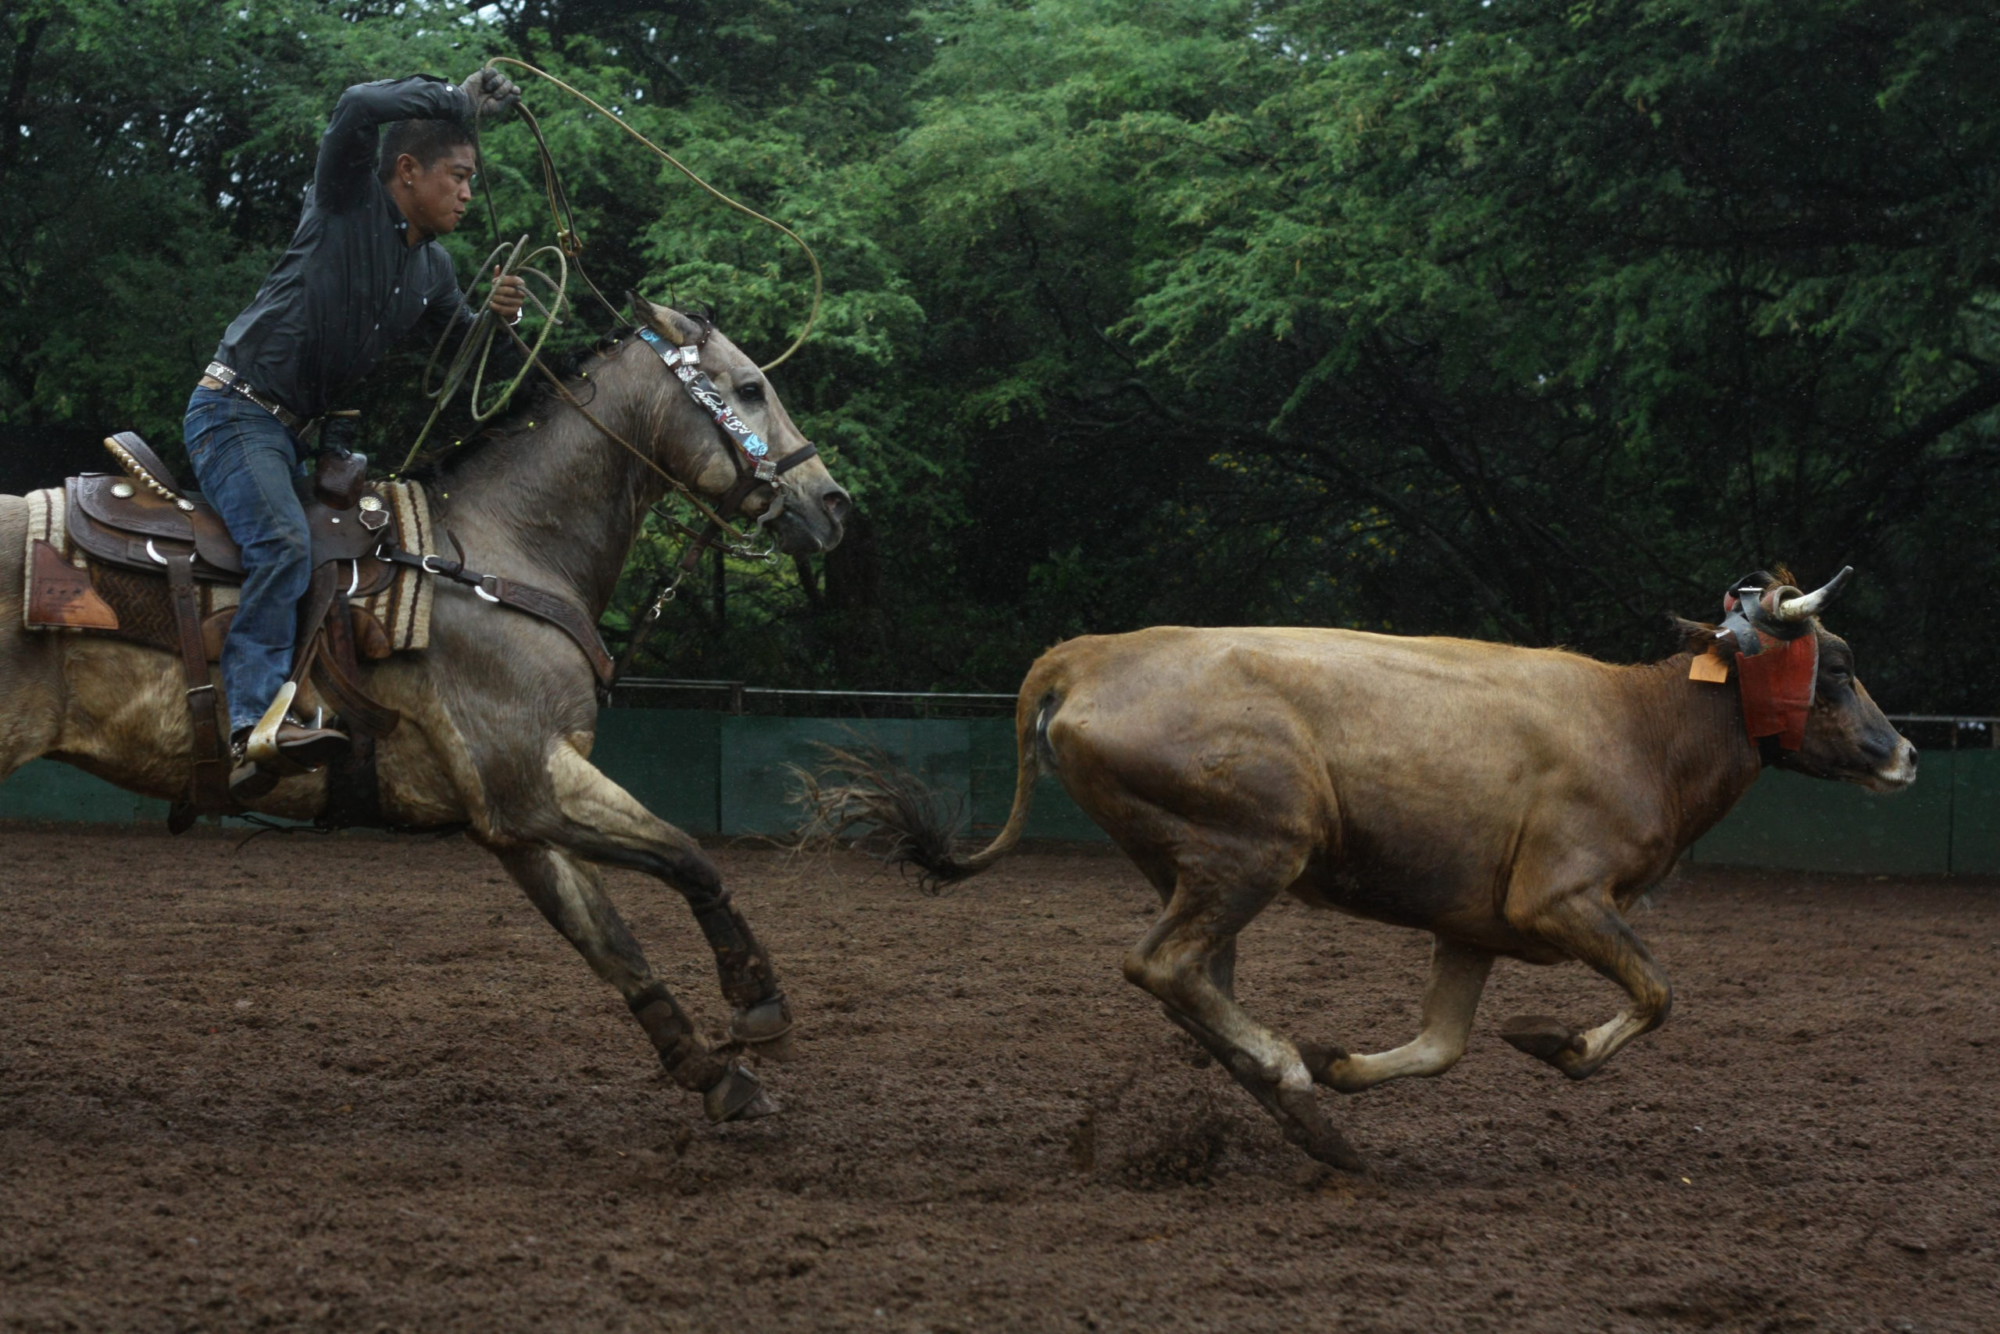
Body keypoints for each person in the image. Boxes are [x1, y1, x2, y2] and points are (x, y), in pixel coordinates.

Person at [184, 69, 529, 799]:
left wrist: (503, 321)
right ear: (407, 171)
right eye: (458, 176)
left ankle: (314, 703)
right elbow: (356, 106)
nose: (468, 193)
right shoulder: (344, 200)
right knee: (280, 543)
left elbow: (467, 362)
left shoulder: (434, 271)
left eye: (472, 179)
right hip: (235, 412)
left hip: (303, 437)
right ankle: (249, 729)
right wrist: (457, 103)